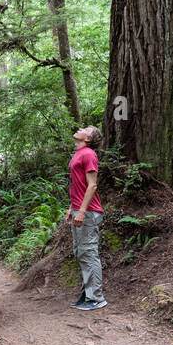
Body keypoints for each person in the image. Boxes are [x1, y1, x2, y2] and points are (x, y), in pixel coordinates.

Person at [65, 126, 106, 310]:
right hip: (79, 209)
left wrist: (81, 211)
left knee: (88, 252)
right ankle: (88, 293)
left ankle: (96, 298)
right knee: (80, 252)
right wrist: (71, 209)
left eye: (86, 129)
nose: (81, 128)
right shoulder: (79, 153)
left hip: (88, 211)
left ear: (88, 138)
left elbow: (92, 186)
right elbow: (78, 185)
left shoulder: (89, 154)